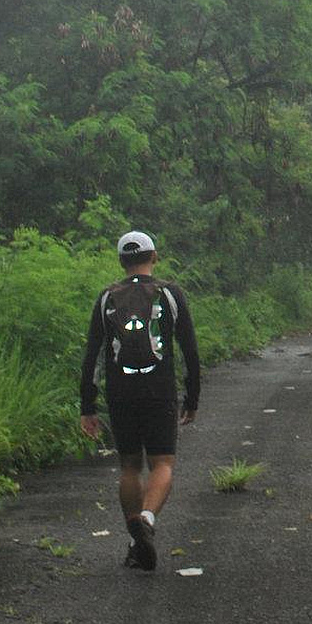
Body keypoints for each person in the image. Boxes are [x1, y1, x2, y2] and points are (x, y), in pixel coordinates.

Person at [79, 230, 199, 571]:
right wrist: (192, 396)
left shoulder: (107, 296)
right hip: (159, 389)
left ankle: (135, 542)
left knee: (129, 466)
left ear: (121, 261)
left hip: (121, 391)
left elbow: (93, 355)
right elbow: (189, 349)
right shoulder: (170, 293)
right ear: (154, 257)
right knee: (162, 463)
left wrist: (88, 406)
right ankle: (146, 519)